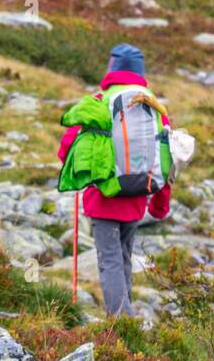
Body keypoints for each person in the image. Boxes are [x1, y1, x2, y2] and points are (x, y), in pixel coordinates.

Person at [57, 43, 172, 317]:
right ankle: (126, 318)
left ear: (111, 68)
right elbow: (167, 158)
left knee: (109, 261)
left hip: (103, 198)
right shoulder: (155, 107)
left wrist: (77, 172)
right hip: (137, 196)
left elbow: (67, 147)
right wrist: (159, 205)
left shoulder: (99, 101)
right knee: (123, 259)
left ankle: (120, 322)